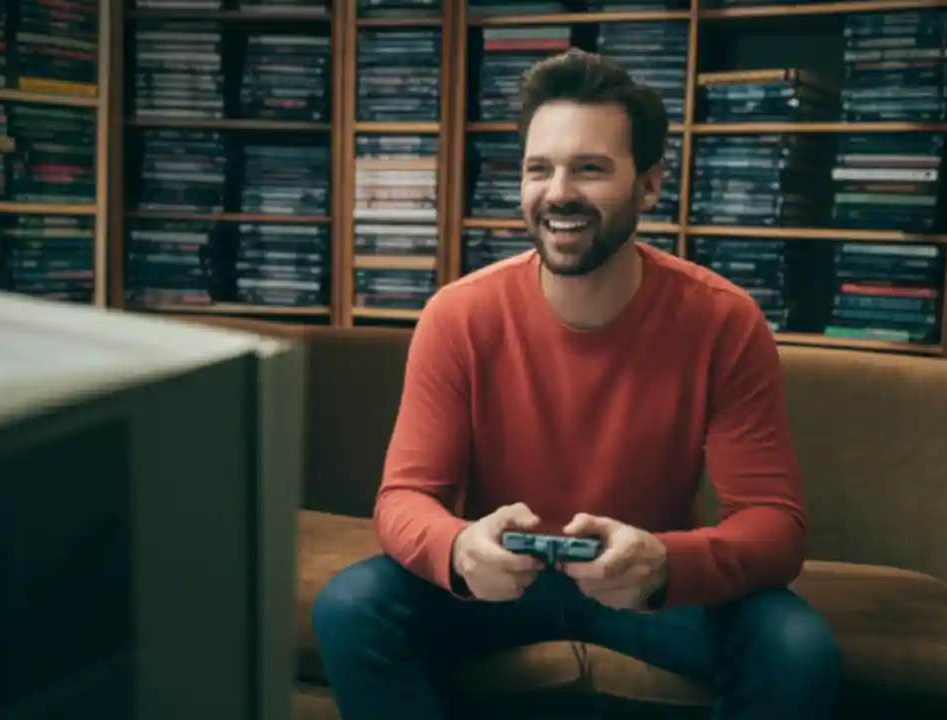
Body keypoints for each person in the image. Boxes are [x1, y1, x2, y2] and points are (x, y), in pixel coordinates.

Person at [311, 48, 841, 719]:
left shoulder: (724, 322)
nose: (558, 192)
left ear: (649, 185)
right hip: (501, 584)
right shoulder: (458, 315)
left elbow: (776, 526)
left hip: (643, 589)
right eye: (539, 169)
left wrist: (665, 564)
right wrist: (459, 550)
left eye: (589, 168)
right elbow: (405, 497)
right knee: (350, 607)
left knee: (795, 646)